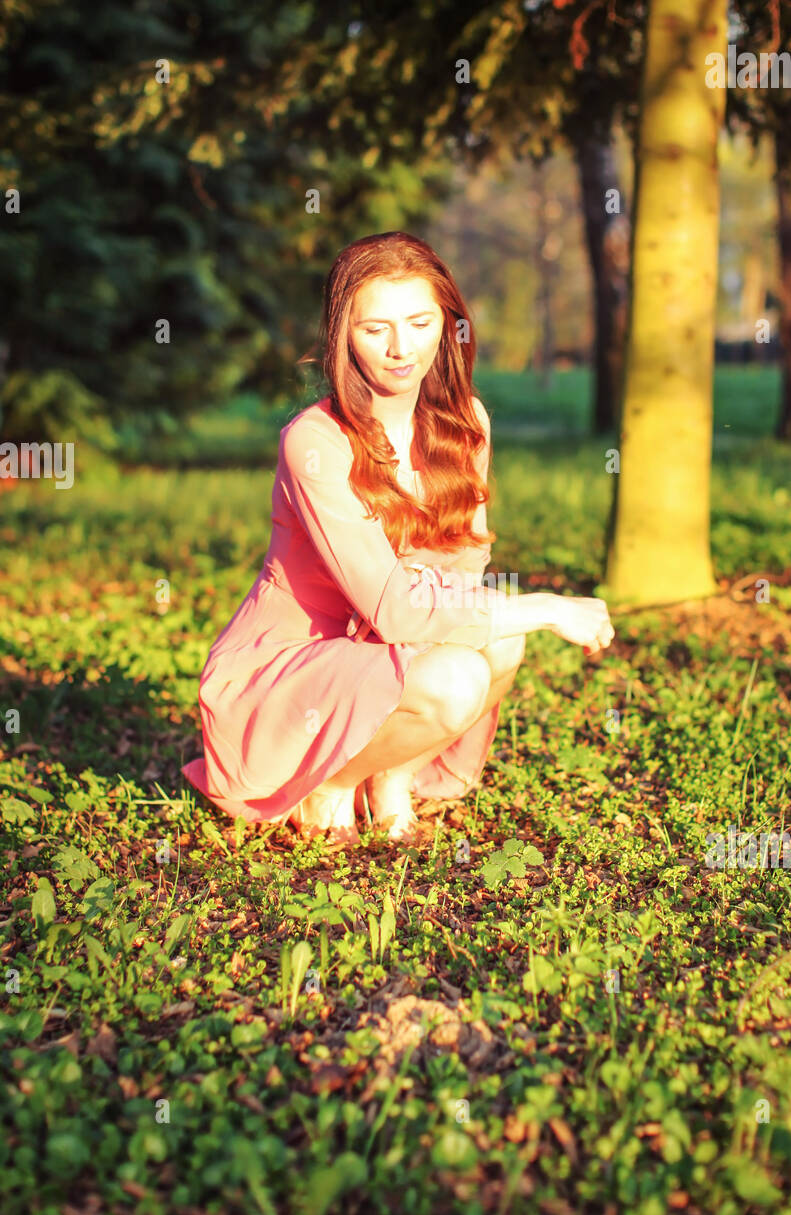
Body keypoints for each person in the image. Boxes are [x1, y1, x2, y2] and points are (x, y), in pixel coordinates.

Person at [181, 231, 614, 847]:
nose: (400, 348)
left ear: (448, 323)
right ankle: (326, 785)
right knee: (460, 676)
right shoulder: (316, 441)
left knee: (503, 644)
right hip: (292, 667)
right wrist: (547, 605)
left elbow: (464, 567)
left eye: (418, 322)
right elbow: (390, 605)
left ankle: (390, 780)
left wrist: (500, 618)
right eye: (374, 328)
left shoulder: (467, 422)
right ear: (342, 335)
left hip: (380, 644)